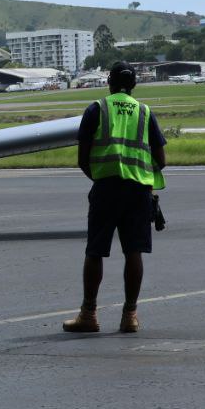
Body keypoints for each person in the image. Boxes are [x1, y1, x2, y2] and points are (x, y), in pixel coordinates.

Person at [64, 61, 167, 334]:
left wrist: (100, 176)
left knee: (95, 251)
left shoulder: (97, 109)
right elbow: (161, 158)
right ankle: (130, 316)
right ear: (134, 84)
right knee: (134, 251)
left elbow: (82, 158)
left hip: (106, 189)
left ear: (108, 82)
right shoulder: (145, 112)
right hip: (138, 191)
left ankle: (89, 314)